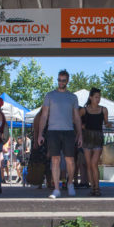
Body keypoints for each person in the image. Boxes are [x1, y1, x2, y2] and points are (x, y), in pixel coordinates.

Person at [37, 70, 82, 199]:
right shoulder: (49, 96)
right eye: (59, 80)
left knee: (70, 160)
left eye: (63, 80)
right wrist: (40, 134)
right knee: (55, 160)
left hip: (68, 131)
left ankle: (70, 183)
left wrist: (80, 135)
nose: (61, 82)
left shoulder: (73, 97)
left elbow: (77, 118)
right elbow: (44, 116)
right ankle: (56, 189)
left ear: (67, 81)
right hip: (52, 132)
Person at [79, 87, 110, 196]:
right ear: (90, 97)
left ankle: (97, 188)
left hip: (98, 137)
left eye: (99, 97)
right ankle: (93, 188)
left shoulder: (104, 109)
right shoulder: (84, 110)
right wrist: (81, 126)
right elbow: (76, 120)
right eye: (96, 97)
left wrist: (108, 124)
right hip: (87, 137)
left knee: (93, 163)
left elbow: (106, 122)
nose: (98, 99)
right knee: (89, 164)